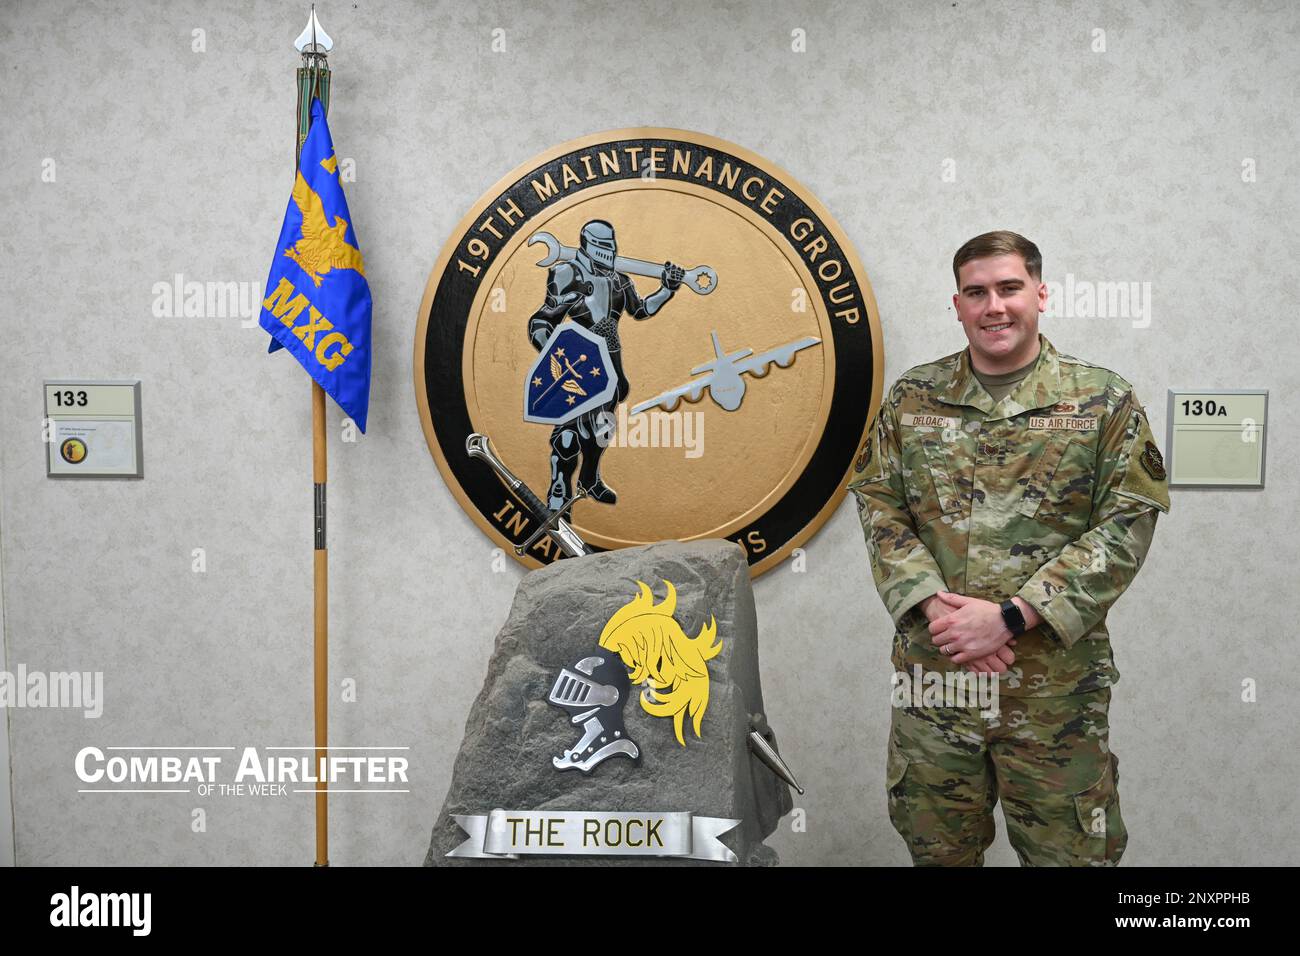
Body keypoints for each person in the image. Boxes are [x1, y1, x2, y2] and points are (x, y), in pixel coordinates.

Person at [848, 230, 1170, 866]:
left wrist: (1011, 616)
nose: (994, 306)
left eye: (1008, 288)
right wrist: (932, 608)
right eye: (976, 292)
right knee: (938, 853)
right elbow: (878, 500)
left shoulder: (1102, 401)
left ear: (1040, 294)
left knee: (1071, 856)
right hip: (936, 682)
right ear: (958, 304)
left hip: (1052, 691)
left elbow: (1128, 522)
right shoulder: (913, 400)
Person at [527, 219, 684, 511]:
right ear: (587, 244)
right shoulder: (566, 272)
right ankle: (559, 488)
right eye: (602, 245)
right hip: (578, 362)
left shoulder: (620, 280)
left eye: (611, 245)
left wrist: (667, 289)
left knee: (602, 427)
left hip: (611, 362)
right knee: (569, 431)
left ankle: (589, 480)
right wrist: (556, 355)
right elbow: (542, 321)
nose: (609, 251)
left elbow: (640, 310)